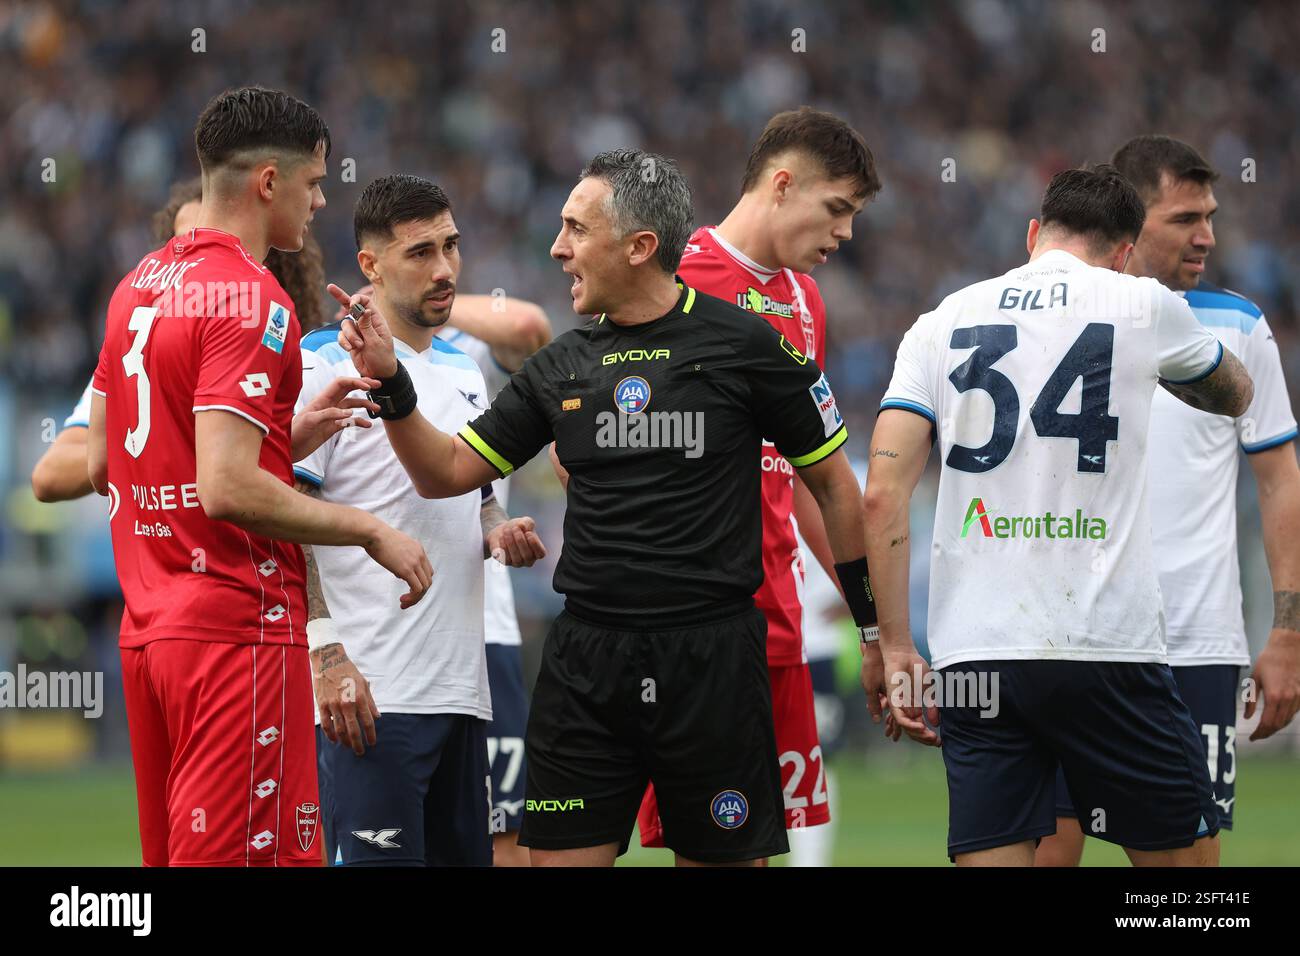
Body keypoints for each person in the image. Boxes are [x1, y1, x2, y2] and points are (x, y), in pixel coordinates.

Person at [330, 148, 879, 866]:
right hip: (587, 667)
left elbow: (835, 486)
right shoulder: (562, 365)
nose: (558, 249)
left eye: (575, 230)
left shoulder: (750, 348)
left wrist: (874, 632)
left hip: (711, 663)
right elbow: (447, 471)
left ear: (639, 246)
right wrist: (392, 383)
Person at [865, 164, 1254, 866]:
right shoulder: (1142, 302)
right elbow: (1235, 393)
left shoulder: (942, 319)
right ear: (1125, 252)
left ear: (1034, 234)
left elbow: (882, 495)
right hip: (1104, 644)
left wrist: (895, 646)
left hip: (975, 654)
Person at [86, 86, 431, 866]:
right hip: (236, 633)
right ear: (268, 183)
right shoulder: (253, 297)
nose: (318, 204)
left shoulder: (135, 287)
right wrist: (370, 528)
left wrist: (282, 436)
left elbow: (107, 460)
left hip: (151, 634)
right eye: (313, 184)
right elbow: (227, 489)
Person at [1036, 136, 1300, 866]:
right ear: (1127, 221)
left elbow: (1279, 476)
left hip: (1192, 648)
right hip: (1067, 642)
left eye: (1210, 215)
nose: (1207, 235)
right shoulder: (1048, 318)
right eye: (1185, 217)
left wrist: (1287, 631)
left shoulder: (1238, 325)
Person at [633, 106, 882, 859]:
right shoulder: (673, 275)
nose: (844, 234)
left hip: (778, 626)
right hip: (690, 626)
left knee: (752, 849)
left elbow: (810, 481)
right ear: (782, 184)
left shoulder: (805, 302)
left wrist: (871, 615)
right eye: (836, 209)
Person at [296, 174, 546, 866]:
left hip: (463, 693)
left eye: (451, 246)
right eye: (420, 253)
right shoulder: (323, 361)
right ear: (370, 265)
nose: (444, 269)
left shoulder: (465, 369)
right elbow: (290, 510)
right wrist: (326, 651)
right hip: (373, 695)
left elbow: (476, 492)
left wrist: (496, 525)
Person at [31, 178, 330, 503]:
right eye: (184, 241)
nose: (195, 257)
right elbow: (50, 475)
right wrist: (168, 432)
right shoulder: (139, 351)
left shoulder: (310, 355)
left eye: (212, 243)